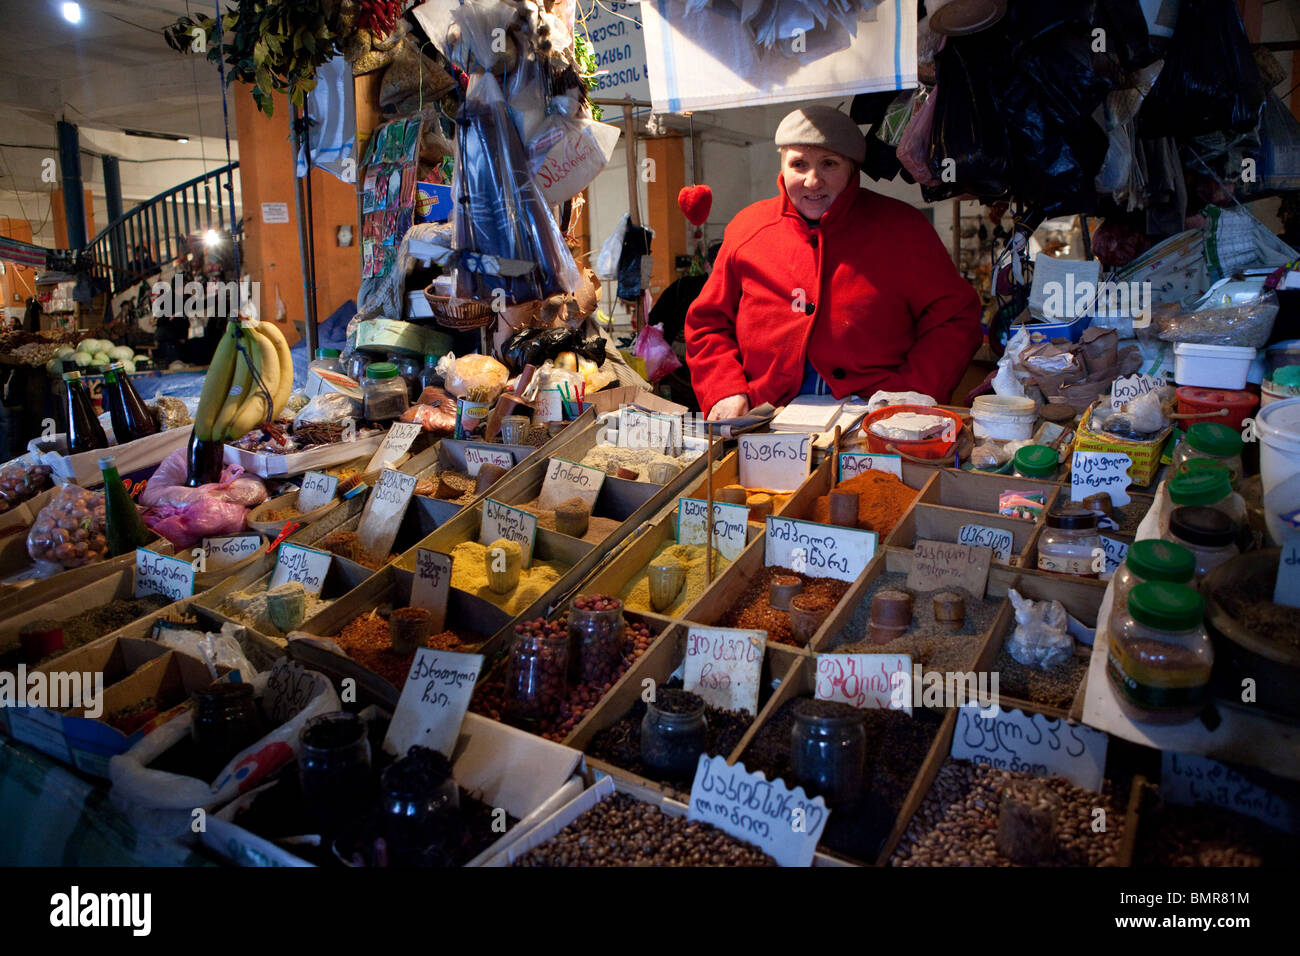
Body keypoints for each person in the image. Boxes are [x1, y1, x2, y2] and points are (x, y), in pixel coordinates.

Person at [685, 105, 984, 420]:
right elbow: (708, 323)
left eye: (829, 164)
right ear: (782, 166)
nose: (813, 181)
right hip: (766, 418)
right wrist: (725, 390)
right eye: (798, 164)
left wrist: (911, 392)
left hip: (874, 418)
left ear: (852, 168)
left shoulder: (902, 228)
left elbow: (955, 319)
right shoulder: (748, 228)